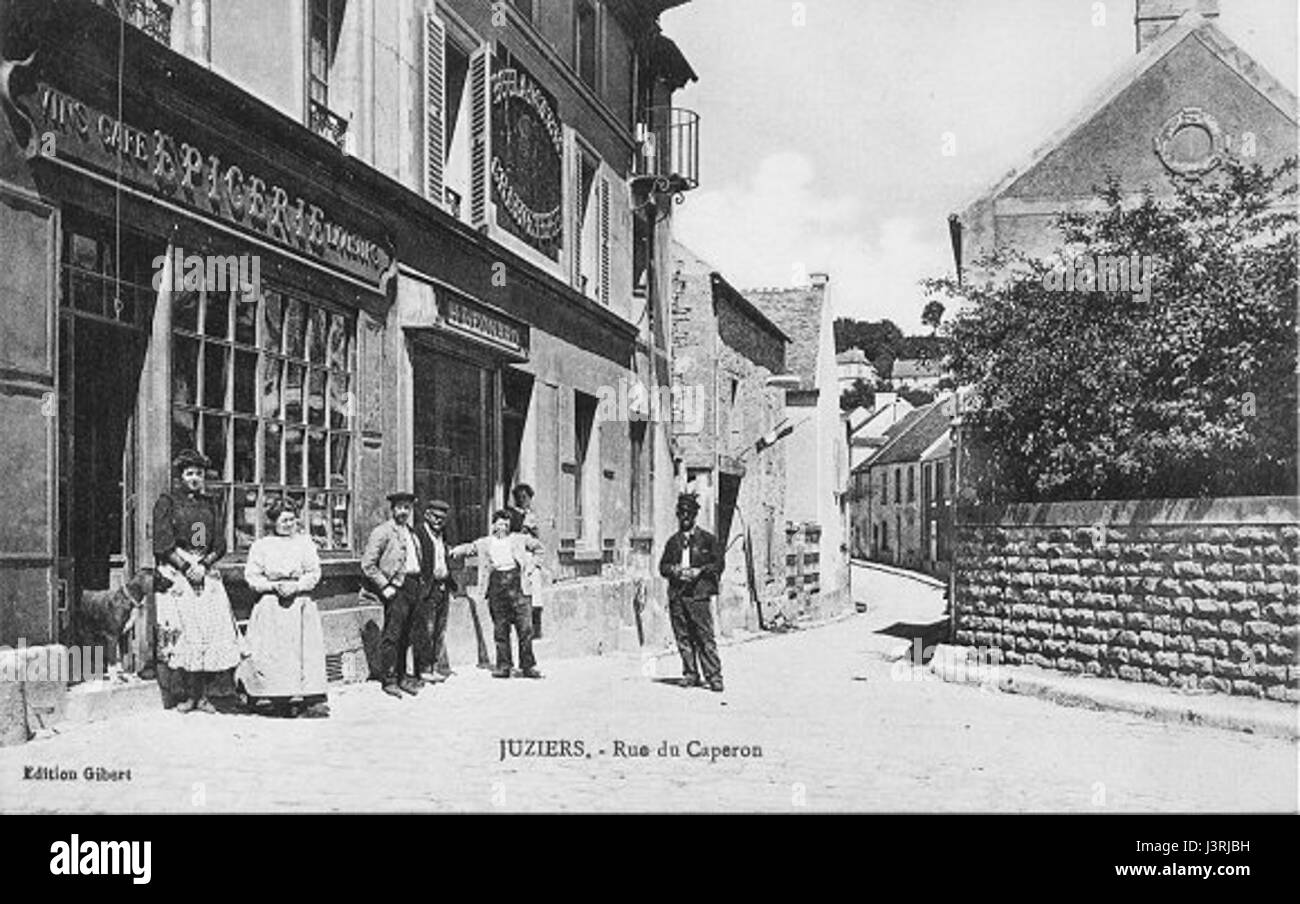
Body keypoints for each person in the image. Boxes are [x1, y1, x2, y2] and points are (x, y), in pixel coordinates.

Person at [152, 449, 242, 713]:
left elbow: (220, 544)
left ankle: (203, 696)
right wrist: (185, 566)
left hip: (205, 571)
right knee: (185, 632)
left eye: (199, 474)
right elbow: (162, 542)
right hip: (178, 573)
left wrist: (203, 565)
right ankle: (186, 695)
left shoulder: (211, 504)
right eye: (189, 473)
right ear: (181, 476)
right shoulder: (167, 502)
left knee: (207, 632)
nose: (194, 479)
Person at [237, 498, 328, 718]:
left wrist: (297, 586)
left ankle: (310, 699)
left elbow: (314, 572)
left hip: (300, 604)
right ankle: (275, 697)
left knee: (304, 652)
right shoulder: (262, 545)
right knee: (272, 653)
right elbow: (252, 576)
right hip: (271, 604)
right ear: (273, 522)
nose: (288, 524)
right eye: (283, 520)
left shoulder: (305, 544)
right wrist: (273, 586)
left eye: (292, 519)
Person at [451, 509, 544, 679]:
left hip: (519, 586)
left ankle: (528, 666)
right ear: (493, 525)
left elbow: (539, 548)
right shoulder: (485, 543)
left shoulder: (519, 539)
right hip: (496, 586)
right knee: (500, 629)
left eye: (506, 523)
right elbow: (470, 548)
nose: (503, 526)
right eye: (500, 523)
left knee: (525, 629)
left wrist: (532, 566)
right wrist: (456, 550)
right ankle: (504, 666)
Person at [360, 491, 429, 699]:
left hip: (413, 585)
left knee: (408, 634)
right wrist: (385, 586)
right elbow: (368, 564)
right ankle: (389, 679)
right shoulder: (382, 531)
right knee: (393, 634)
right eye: (399, 507)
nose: (403, 512)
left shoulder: (412, 532)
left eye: (407, 508)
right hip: (396, 587)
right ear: (392, 510)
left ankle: (402, 676)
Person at [658, 493, 724, 692]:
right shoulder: (673, 542)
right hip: (678, 595)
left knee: (705, 636)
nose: (685, 517)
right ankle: (690, 674)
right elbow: (663, 567)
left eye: (688, 513)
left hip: (699, 595)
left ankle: (714, 676)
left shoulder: (708, 540)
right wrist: (675, 570)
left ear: (695, 515)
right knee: (683, 636)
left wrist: (700, 571)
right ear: (678, 515)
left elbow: (718, 564)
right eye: (681, 513)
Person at [415, 499, 456, 683]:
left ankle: (433, 666)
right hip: (426, 589)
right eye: (435, 517)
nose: (439, 521)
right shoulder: (418, 533)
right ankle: (423, 669)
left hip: (442, 586)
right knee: (426, 630)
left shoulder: (443, 534)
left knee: (439, 629)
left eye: (442, 518)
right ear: (427, 515)